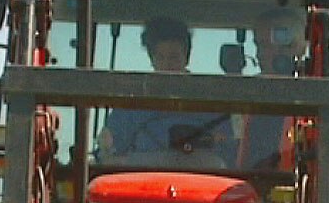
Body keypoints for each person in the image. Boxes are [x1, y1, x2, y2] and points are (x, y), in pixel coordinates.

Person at [97, 17, 235, 167]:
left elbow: (230, 154)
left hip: (201, 182)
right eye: (160, 57)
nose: (167, 65)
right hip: (142, 184)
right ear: (152, 59)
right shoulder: (131, 105)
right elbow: (110, 154)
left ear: (186, 57)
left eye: (174, 57)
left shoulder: (211, 104)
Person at [238, 9, 309, 169]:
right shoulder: (245, 93)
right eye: (258, 45)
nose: (259, 54)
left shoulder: (314, 96)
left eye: (267, 45)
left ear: (295, 47)